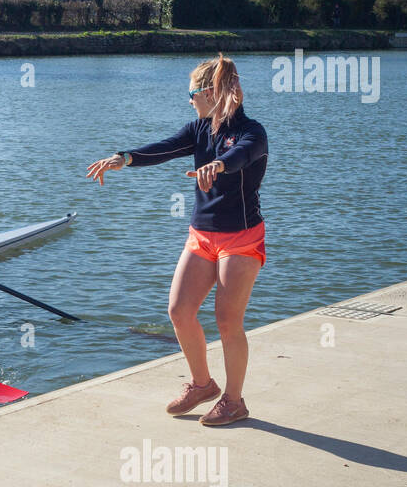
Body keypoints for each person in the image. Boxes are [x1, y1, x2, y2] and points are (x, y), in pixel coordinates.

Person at [85, 54, 269, 426]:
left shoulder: (253, 132)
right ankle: (202, 385)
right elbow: (164, 148)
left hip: (241, 238)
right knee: (179, 310)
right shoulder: (199, 130)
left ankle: (234, 401)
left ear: (212, 92)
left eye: (193, 93)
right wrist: (126, 158)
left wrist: (217, 165)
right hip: (201, 236)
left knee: (227, 320)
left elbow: (239, 155)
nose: (189, 100)